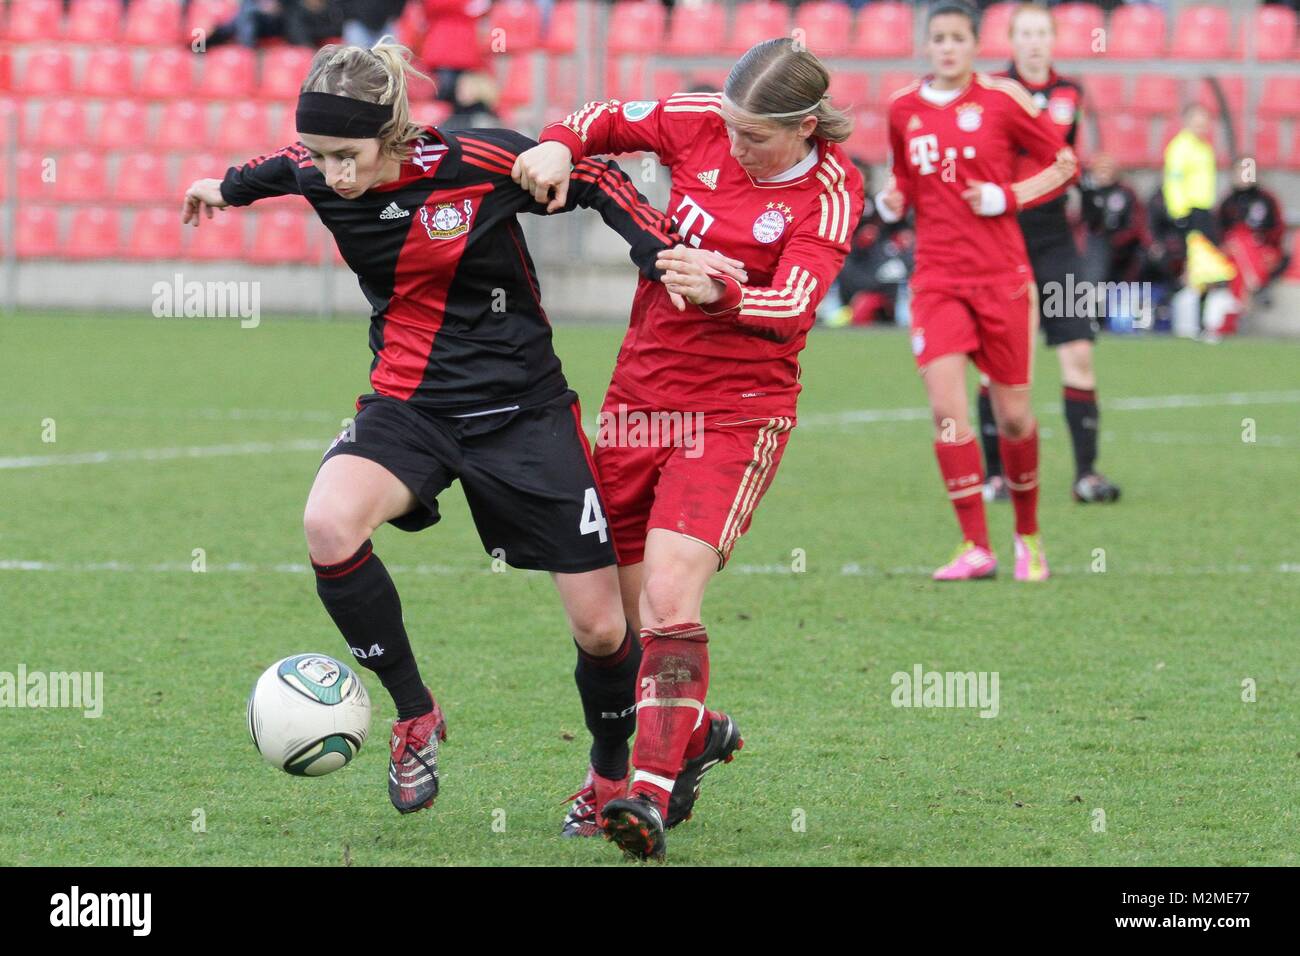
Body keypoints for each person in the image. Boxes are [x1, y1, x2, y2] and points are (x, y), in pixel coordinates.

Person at [179, 39, 742, 828]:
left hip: (523, 413)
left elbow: (598, 178)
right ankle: (414, 716)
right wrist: (222, 189)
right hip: (409, 407)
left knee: (603, 625)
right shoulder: (317, 167)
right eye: (322, 156)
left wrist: (656, 251)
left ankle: (611, 773)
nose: (334, 174)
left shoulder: (476, 161)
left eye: (349, 155)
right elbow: (273, 168)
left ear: (394, 133)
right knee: (327, 523)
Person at [512, 36, 864, 859]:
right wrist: (560, 144)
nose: (735, 144)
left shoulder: (832, 193)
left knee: (671, 604)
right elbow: (597, 119)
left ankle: (650, 792)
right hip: (638, 402)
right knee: (619, 629)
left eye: (756, 136)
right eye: (732, 128)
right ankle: (692, 733)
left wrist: (723, 288)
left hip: (737, 416)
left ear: (806, 126)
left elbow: (795, 304)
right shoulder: (703, 118)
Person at [877, 0, 1076, 582]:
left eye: (957, 38)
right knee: (947, 409)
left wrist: (1006, 197)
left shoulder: (1003, 100)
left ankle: (1028, 536)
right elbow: (905, 180)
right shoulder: (902, 109)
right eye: (937, 38)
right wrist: (894, 201)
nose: (947, 48)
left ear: (973, 45)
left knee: (1013, 417)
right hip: (936, 278)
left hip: (1002, 279)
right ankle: (974, 545)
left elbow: (1063, 163)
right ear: (927, 44)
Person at [982, 1, 1119, 505]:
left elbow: (1067, 159)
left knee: (1078, 354)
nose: (1035, 42)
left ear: (1052, 39)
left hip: (1056, 238)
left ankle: (1087, 474)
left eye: (1043, 33)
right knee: (998, 365)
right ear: (1013, 40)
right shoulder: (993, 92)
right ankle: (995, 476)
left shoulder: (1070, 93)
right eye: (1026, 33)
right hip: (1003, 238)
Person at [1218, 158, 1290, 308]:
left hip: (1263, 250)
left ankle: (1238, 306)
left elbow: (1277, 227)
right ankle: (1255, 285)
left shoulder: (1266, 199)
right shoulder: (1228, 202)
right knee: (1239, 238)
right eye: (1240, 171)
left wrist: (1264, 242)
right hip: (1234, 253)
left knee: (1244, 245)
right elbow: (1220, 232)